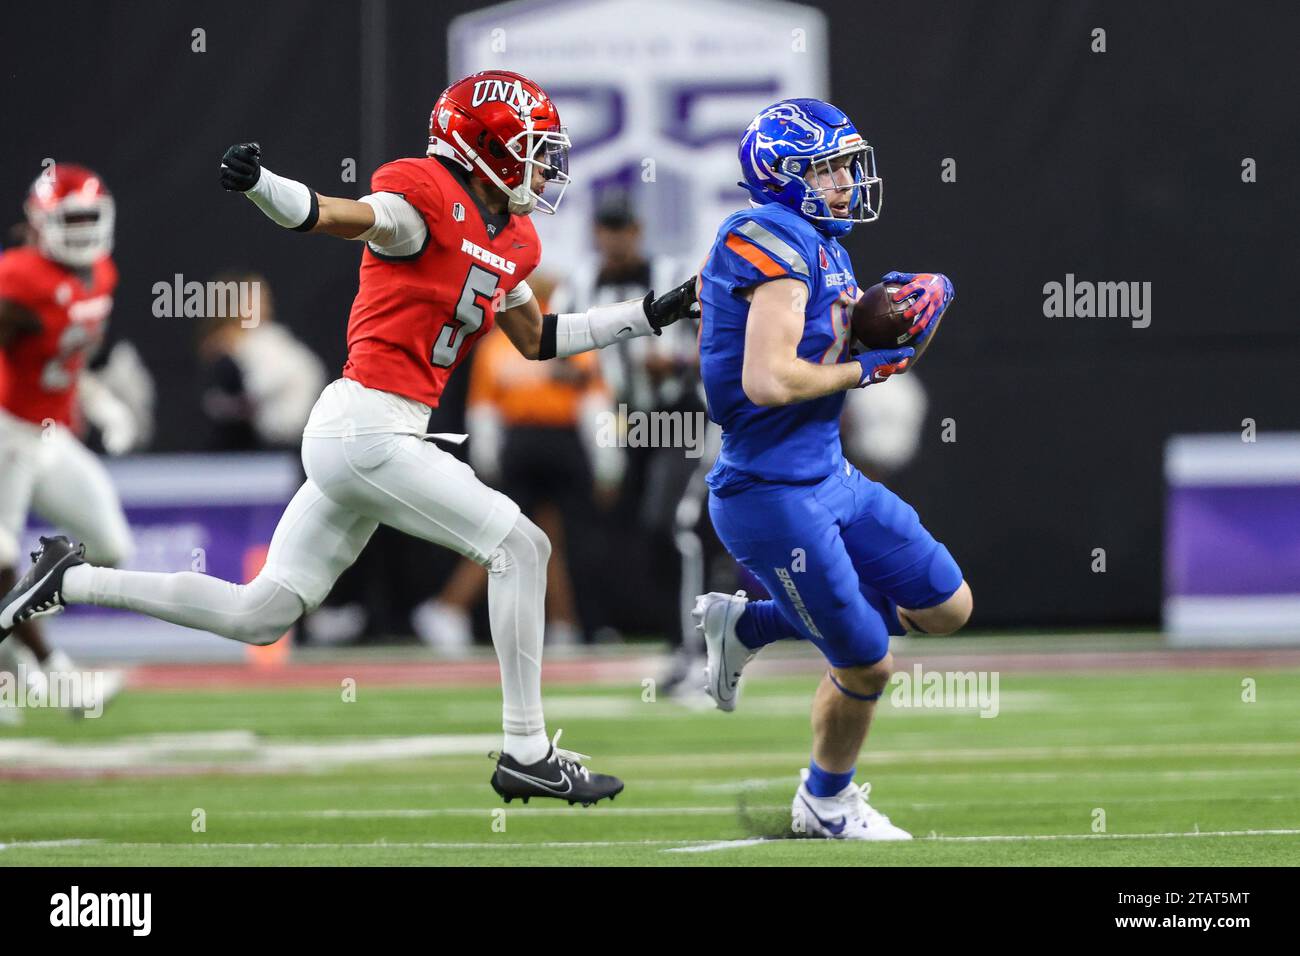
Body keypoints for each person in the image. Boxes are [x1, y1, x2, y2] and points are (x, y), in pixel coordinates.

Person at [0, 71, 698, 805]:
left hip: (374, 433)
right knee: (520, 545)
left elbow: (542, 336)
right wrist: (264, 184)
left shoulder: (515, 235)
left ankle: (67, 578)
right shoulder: (426, 194)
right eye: (529, 149)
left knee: (259, 613)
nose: (544, 166)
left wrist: (652, 312)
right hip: (367, 426)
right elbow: (339, 215)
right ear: (482, 147)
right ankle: (526, 749)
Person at [691, 99, 972, 839]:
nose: (846, 180)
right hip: (768, 492)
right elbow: (768, 381)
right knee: (868, 665)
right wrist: (866, 369)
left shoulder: (816, 240)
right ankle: (824, 803)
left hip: (827, 474)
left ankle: (748, 627)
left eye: (847, 164)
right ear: (783, 177)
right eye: (826, 168)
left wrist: (876, 330)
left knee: (946, 606)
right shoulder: (773, 237)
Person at [0, 163, 135, 718]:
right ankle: (56, 675)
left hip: (49, 435)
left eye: (88, 218)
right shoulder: (20, 276)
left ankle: (10, 649)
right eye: (68, 219)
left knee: (109, 547)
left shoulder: (101, 273)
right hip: (6, 428)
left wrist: (100, 402)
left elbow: (67, 358)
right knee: (2, 553)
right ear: (39, 222)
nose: (80, 231)